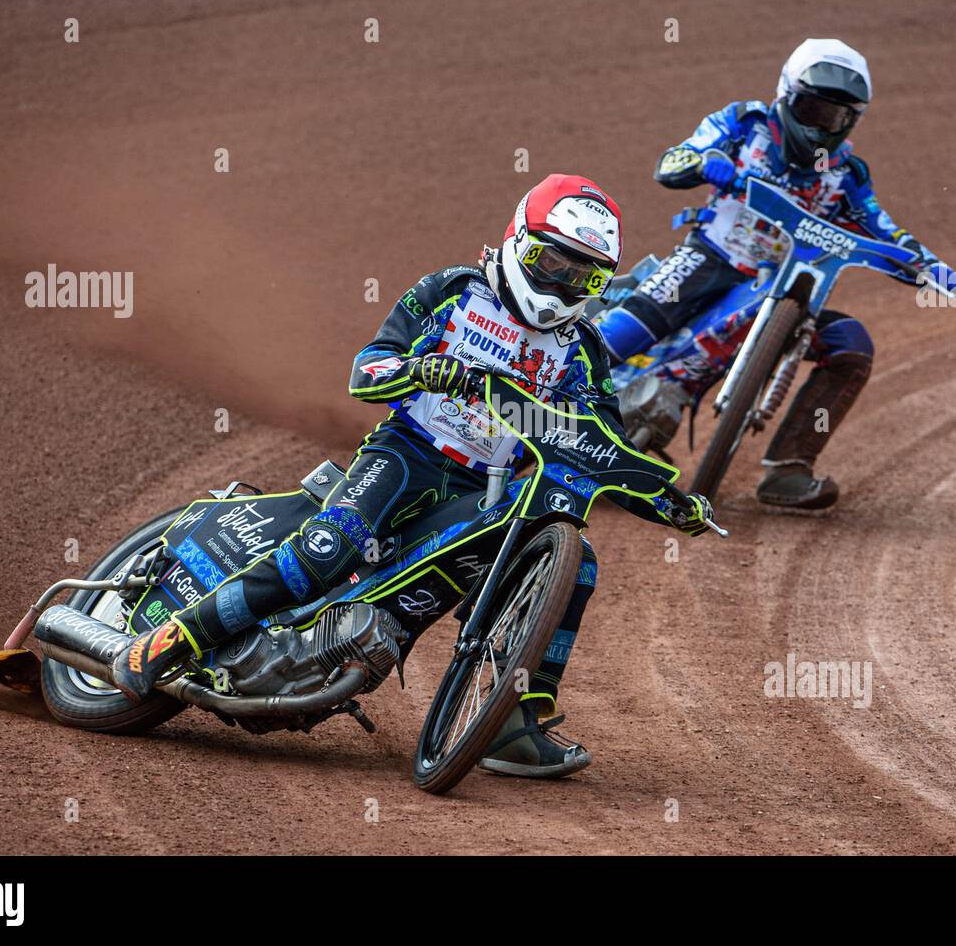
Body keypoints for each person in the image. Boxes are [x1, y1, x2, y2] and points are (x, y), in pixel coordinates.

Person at [109, 174, 715, 778]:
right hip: (405, 455)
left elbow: (599, 443)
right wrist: (431, 371)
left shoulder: (583, 348)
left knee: (575, 561)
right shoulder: (453, 289)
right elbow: (365, 371)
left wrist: (671, 500)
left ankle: (512, 721)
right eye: (549, 261)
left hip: (487, 487)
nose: (561, 284)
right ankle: (171, 642)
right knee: (330, 549)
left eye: (583, 276)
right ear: (516, 239)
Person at [597, 39, 956, 512]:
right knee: (614, 336)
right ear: (786, 96)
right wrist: (704, 163)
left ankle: (787, 469)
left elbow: (882, 227)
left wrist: (929, 266)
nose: (819, 126)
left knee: (851, 345)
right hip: (711, 259)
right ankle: (521, 397)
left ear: (852, 121)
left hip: (788, 289)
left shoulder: (845, 174)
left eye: (834, 117)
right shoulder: (744, 125)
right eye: (811, 109)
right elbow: (671, 162)